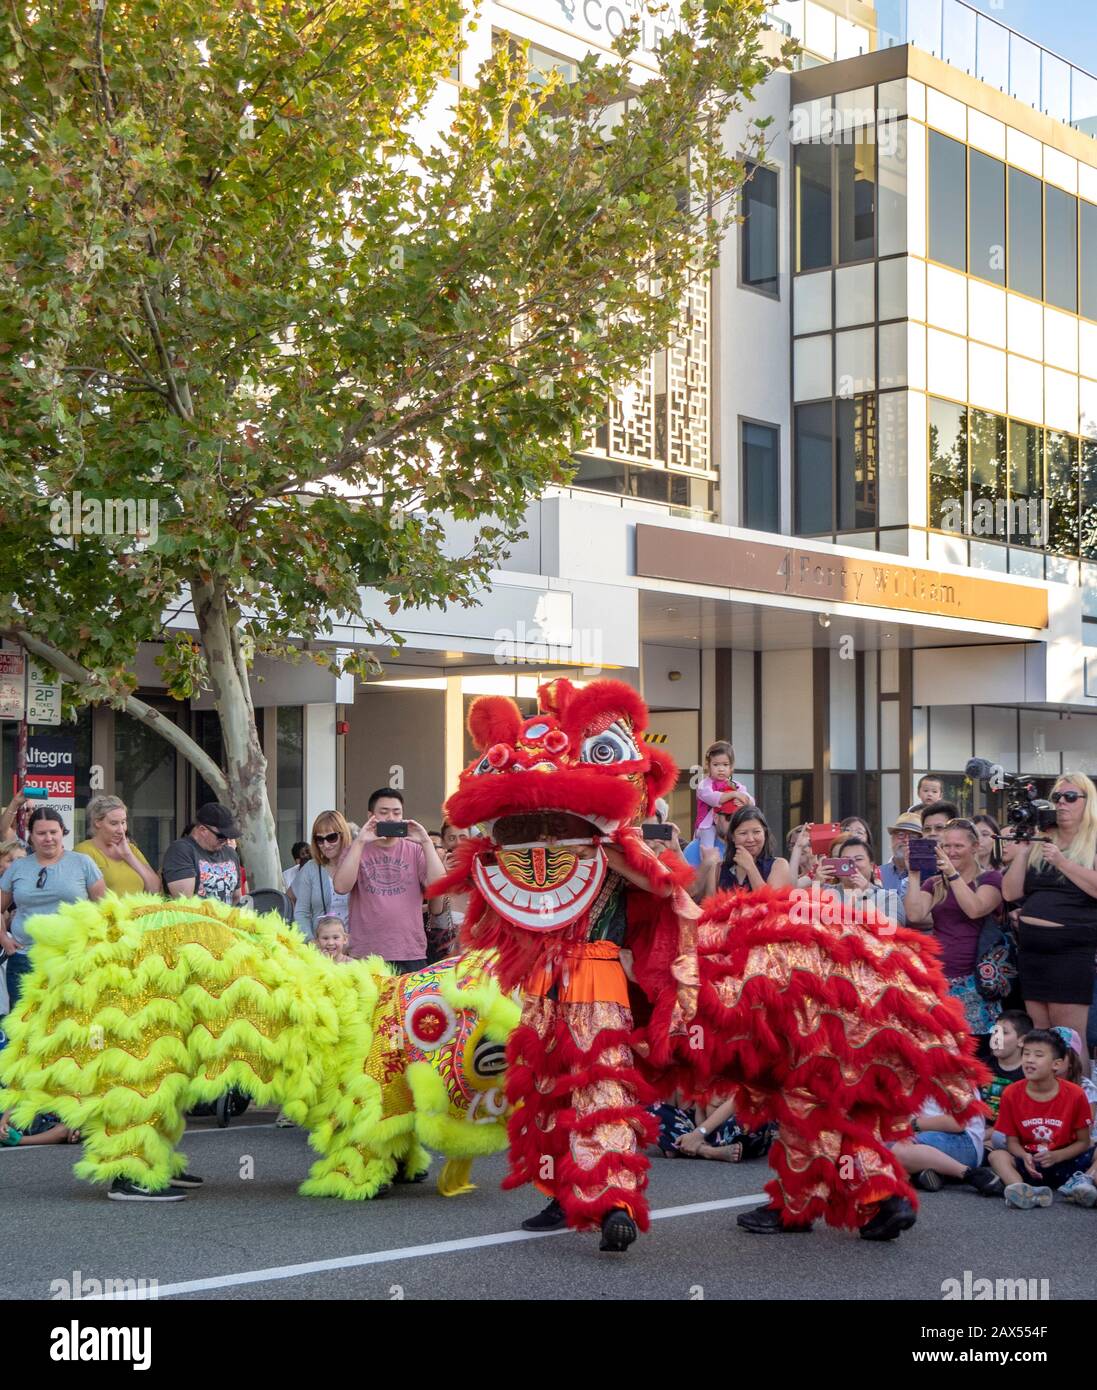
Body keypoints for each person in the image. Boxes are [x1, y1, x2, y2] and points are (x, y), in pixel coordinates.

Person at [1000, 772, 1097, 1064]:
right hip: (1033, 950)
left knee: (1068, 1036)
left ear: (1087, 802)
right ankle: (1045, 1102)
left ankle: (1079, 1103)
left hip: (1070, 950)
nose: (1062, 803)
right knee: (1040, 1034)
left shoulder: (1092, 842)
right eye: (1057, 798)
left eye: (1071, 797)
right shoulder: (1043, 841)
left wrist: (1063, 862)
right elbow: (1010, 892)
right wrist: (1025, 850)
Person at [904, 818, 1004, 1041]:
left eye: (958, 846)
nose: (951, 851)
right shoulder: (935, 883)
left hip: (975, 981)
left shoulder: (990, 878)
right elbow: (915, 915)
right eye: (946, 846)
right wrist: (914, 875)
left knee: (975, 1048)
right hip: (939, 979)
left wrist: (952, 874)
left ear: (975, 847)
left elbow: (974, 909)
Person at [0, 807, 106, 1010]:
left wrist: (93, 945)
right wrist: (4, 938)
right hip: (25, 960)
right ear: (31, 837)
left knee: (67, 1023)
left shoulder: (82, 862)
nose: (48, 838)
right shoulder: (18, 867)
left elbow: (105, 908)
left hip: (71, 959)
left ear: (62, 832)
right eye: (41, 833)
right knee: (24, 1027)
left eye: (53, 832)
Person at [331, 787, 446, 971]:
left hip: (409, 951)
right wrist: (360, 841)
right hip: (366, 953)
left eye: (396, 812)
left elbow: (439, 885)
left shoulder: (415, 849)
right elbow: (341, 887)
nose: (391, 818)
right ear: (371, 815)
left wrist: (425, 841)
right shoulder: (356, 849)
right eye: (383, 812)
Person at [988, 1029, 1095, 1207]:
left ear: (1057, 1064)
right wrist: (1024, 1156)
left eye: (1038, 1055)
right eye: (1026, 1053)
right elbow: (1011, 1142)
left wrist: (1057, 1155)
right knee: (997, 1156)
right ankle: (1022, 1190)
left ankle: (1084, 1182)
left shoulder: (1076, 1094)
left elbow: (1084, 1142)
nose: (1029, 1059)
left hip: (1067, 1159)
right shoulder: (1011, 1093)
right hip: (1032, 1163)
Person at [889, 1092, 1002, 1196]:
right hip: (928, 1135)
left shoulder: (951, 1075)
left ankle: (970, 1174)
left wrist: (912, 1124)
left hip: (964, 1141)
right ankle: (933, 1173)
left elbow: (958, 1123)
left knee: (896, 1151)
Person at [75, 795, 162, 896]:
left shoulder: (131, 850)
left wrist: (128, 855)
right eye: (114, 823)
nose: (121, 830)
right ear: (97, 822)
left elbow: (155, 889)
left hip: (138, 911)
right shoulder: (84, 851)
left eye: (123, 822)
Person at [652, 1094, 775, 1164]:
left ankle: (681, 1146)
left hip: (735, 1130)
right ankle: (705, 1151)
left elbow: (738, 1100)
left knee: (754, 1119)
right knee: (653, 1111)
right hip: (704, 1130)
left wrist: (698, 1134)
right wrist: (697, 1133)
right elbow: (697, 1113)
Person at [697, 805, 791, 896]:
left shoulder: (779, 865)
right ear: (733, 837)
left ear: (765, 834)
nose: (750, 839)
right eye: (743, 833)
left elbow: (772, 903)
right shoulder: (718, 869)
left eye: (756, 832)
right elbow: (710, 908)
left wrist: (750, 867)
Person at [814, 834, 905, 927]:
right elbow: (810, 923)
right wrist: (816, 884)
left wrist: (864, 895)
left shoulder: (888, 897)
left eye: (858, 859)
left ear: (872, 866)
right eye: (846, 861)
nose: (853, 864)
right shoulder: (825, 891)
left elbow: (892, 930)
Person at [161, 804, 242, 904]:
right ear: (202, 830)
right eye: (221, 836)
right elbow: (184, 902)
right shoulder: (181, 850)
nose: (225, 841)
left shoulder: (230, 853)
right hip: (196, 919)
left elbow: (237, 897)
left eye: (228, 836)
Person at [292, 812, 351, 938]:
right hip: (321, 948)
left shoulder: (357, 864)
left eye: (331, 838)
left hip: (356, 948)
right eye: (320, 839)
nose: (326, 845)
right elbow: (301, 912)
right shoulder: (310, 869)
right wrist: (311, 942)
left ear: (343, 836)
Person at [982, 1009, 1034, 1151]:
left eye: (1004, 1033)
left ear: (1022, 1041)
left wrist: (983, 1135)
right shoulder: (981, 1066)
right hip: (979, 1128)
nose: (996, 1037)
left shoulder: (1030, 1074)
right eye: (994, 1031)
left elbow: (1020, 1120)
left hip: (1009, 1136)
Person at [693, 740, 752, 850]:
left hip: (728, 823)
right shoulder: (704, 785)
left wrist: (743, 800)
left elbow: (750, 800)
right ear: (708, 765)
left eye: (725, 765)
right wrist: (734, 794)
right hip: (708, 825)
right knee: (707, 845)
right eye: (716, 765)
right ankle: (709, 862)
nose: (721, 769)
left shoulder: (735, 785)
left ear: (731, 767)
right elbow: (713, 798)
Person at [879, 811, 922, 896]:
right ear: (892, 838)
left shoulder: (926, 876)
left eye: (912, 837)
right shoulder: (877, 873)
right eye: (901, 835)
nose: (906, 840)